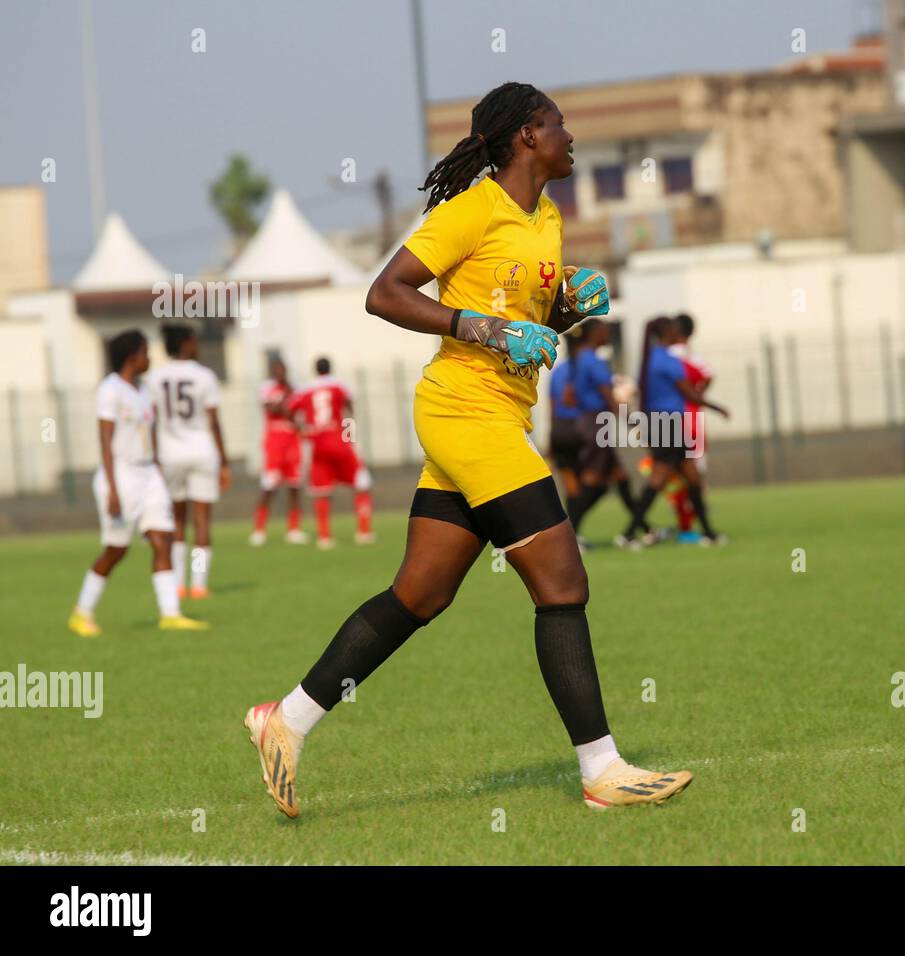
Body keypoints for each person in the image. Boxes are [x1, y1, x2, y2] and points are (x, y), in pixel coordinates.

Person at [242, 82, 693, 818]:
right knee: (562, 583)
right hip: (464, 413)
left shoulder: (544, 216)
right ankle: (601, 771)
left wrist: (571, 305)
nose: (569, 134)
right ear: (525, 136)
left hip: (497, 415)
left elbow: (529, 324)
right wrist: (484, 329)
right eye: (558, 123)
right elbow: (386, 292)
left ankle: (285, 721)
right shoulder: (473, 208)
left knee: (420, 594)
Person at [68, 329, 208, 636]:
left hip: (148, 475)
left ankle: (170, 613)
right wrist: (113, 489)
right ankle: (82, 612)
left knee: (163, 539)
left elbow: (149, 433)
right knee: (116, 550)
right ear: (132, 356)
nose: (149, 358)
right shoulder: (110, 390)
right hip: (120, 476)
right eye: (145, 352)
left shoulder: (143, 389)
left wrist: (156, 465)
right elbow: (105, 439)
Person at [617, 317, 728, 548]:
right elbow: (690, 394)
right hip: (669, 423)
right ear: (668, 333)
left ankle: (708, 533)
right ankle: (628, 534)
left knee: (691, 476)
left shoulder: (648, 361)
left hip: (657, 422)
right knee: (660, 478)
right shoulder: (668, 361)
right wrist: (718, 408)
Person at [150, 323, 230, 598]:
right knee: (202, 520)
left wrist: (153, 457)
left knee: (177, 522)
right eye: (194, 341)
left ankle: (178, 584)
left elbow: (150, 421)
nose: (198, 346)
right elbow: (214, 422)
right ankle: (199, 584)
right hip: (202, 452)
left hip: (169, 454)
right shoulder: (204, 376)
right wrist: (225, 461)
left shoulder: (155, 378)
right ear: (185, 344)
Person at [565, 317, 646, 542]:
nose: (607, 335)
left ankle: (642, 528)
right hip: (596, 425)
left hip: (588, 422)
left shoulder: (579, 359)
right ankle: (568, 534)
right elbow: (609, 397)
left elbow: (569, 396)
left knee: (620, 477)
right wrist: (632, 421)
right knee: (592, 480)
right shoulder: (594, 361)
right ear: (594, 334)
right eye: (603, 331)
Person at [286, 357, 375, 550]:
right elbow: (349, 410)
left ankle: (324, 536)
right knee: (362, 483)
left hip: (317, 443)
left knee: (321, 490)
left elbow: (289, 409)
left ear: (315, 370)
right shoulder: (339, 385)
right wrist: (350, 437)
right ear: (330, 368)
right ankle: (364, 531)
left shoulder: (306, 389)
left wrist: (302, 430)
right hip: (338, 439)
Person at [666, 312, 714, 542]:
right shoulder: (694, 361)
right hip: (691, 420)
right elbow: (707, 376)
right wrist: (697, 396)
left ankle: (684, 523)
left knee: (673, 476)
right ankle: (691, 525)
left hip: (664, 421)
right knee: (694, 476)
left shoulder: (661, 356)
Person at [250, 357, 307, 546]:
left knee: (294, 486)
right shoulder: (267, 388)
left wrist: (288, 406)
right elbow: (274, 410)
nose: (280, 373)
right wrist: (286, 399)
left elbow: (296, 415)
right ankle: (259, 528)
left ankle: (294, 528)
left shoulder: (296, 389)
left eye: (283, 369)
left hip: (293, 440)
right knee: (269, 486)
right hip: (275, 441)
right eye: (277, 369)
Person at [547, 329, 584, 516]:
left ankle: (575, 533)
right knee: (592, 481)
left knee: (571, 485)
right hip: (579, 428)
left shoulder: (558, 370)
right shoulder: (584, 368)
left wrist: (551, 436)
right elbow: (572, 399)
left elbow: (552, 406)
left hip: (560, 429)